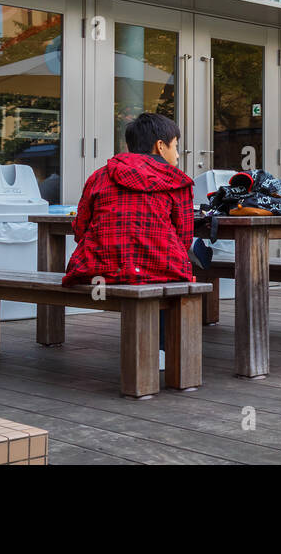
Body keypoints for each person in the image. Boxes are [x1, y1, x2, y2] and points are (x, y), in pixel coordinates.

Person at [64, 112, 195, 368]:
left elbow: (80, 230)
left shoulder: (99, 176)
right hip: (159, 270)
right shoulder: (178, 182)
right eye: (176, 147)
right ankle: (162, 354)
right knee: (171, 268)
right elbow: (184, 238)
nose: (178, 155)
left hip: (97, 270)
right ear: (160, 145)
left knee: (150, 267)